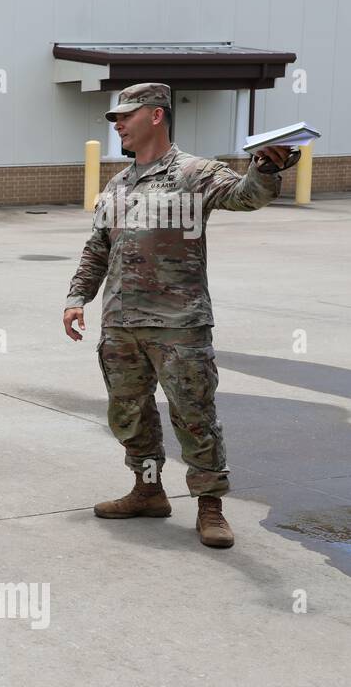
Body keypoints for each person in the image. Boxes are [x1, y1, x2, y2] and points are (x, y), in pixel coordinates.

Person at [64, 82, 298, 549]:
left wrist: (266, 167)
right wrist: (77, 297)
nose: (118, 125)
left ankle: (210, 506)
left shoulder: (194, 172)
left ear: (155, 116)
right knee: (130, 413)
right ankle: (148, 490)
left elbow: (244, 196)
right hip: (121, 323)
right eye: (114, 119)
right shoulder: (117, 183)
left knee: (194, 415)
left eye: (124, 116)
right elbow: (97, 248)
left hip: (179, 324)